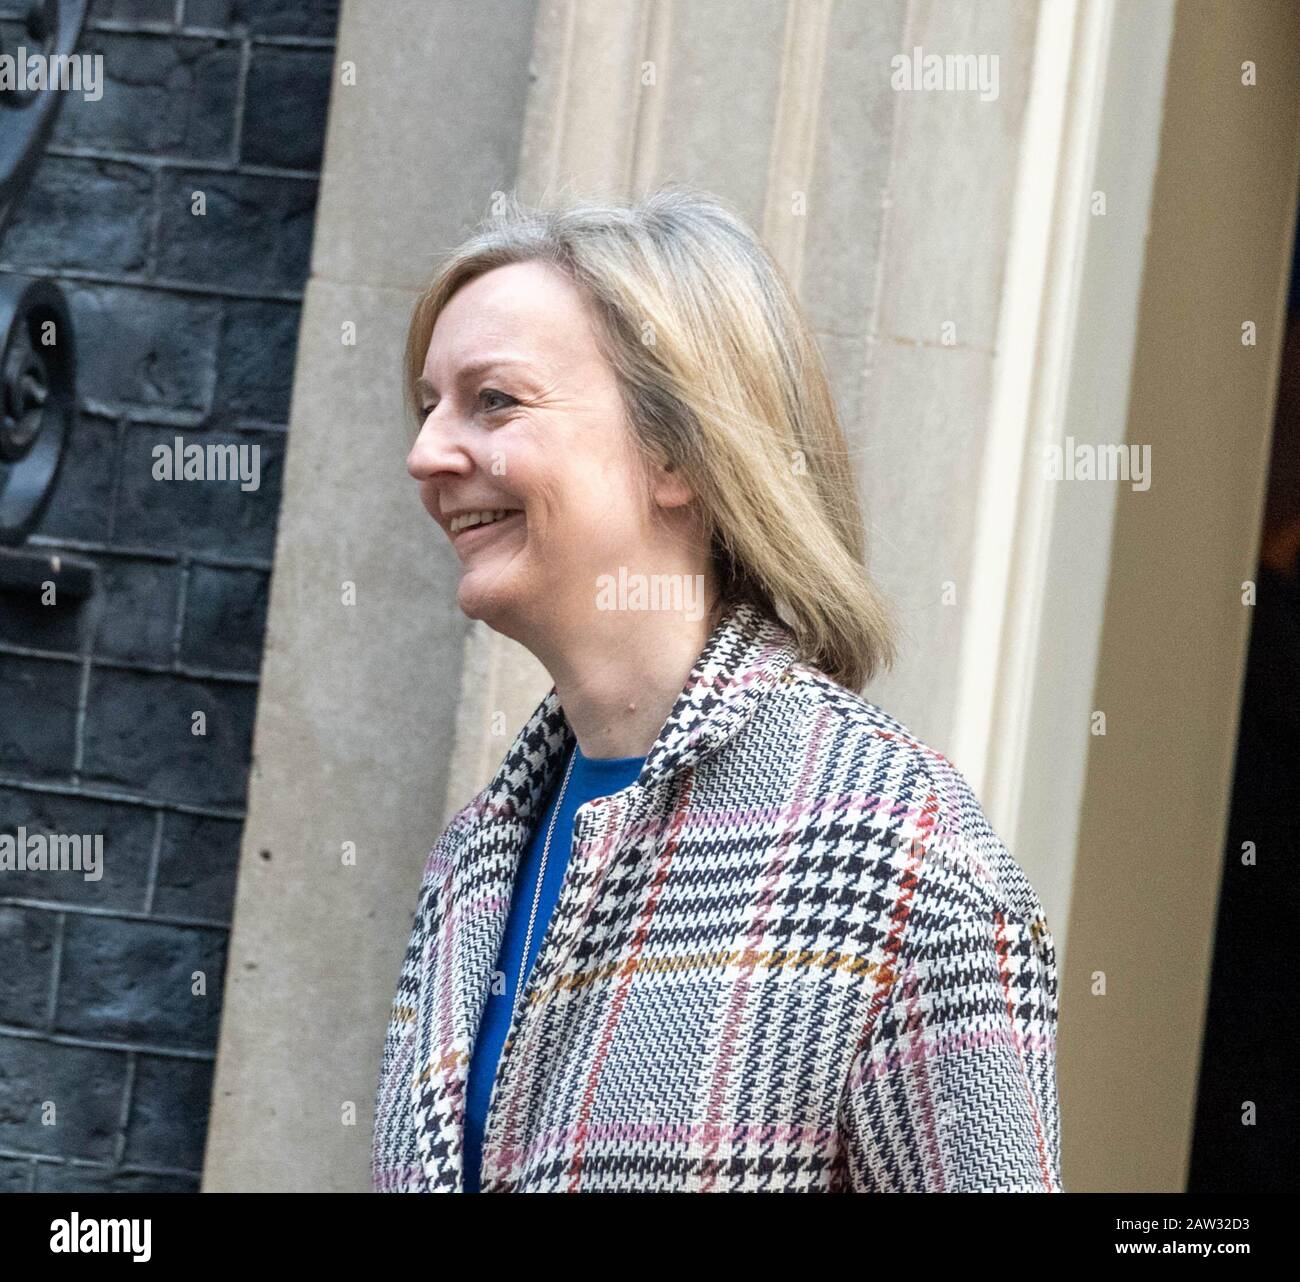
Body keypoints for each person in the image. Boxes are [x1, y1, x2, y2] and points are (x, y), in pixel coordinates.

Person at [371, 187, 1062, 1193]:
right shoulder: (476, 858)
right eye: (429, 404)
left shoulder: (903, 864)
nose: (426, 452)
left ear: (680, 453)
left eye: (495, 400)